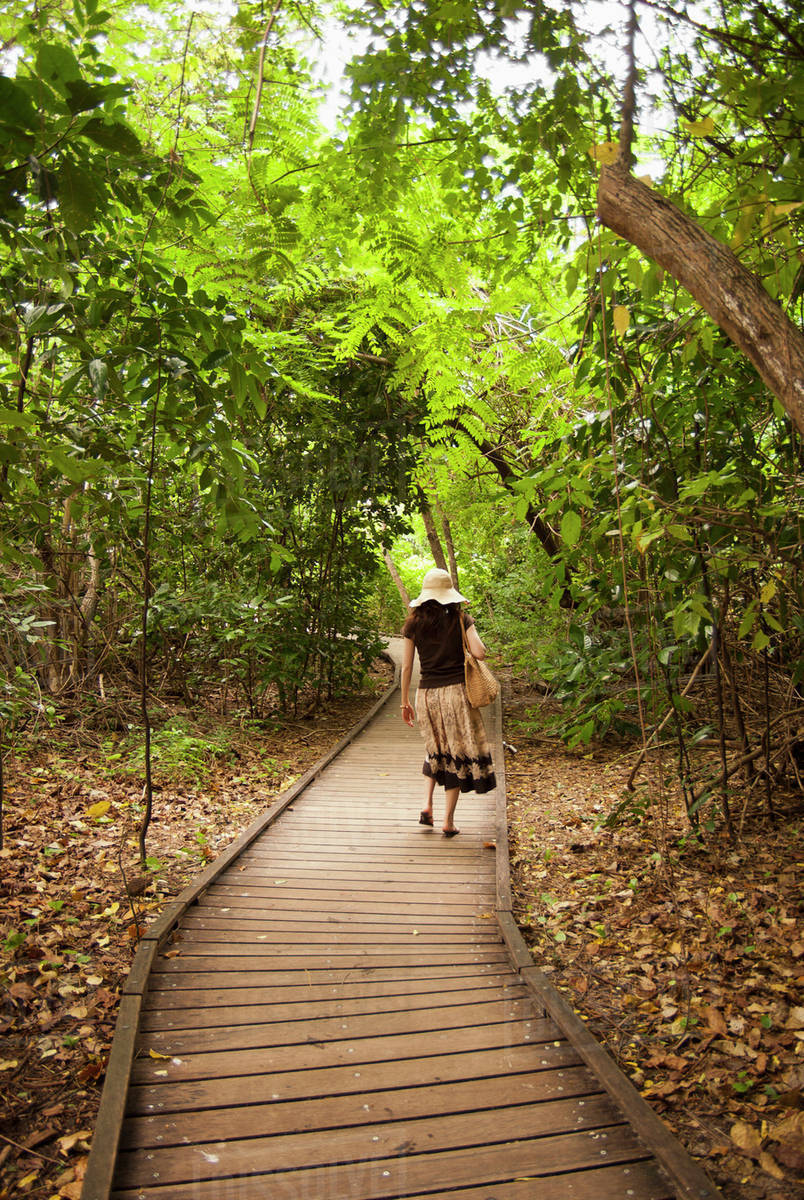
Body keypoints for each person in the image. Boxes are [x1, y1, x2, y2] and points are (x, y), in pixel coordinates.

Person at [400, 567, 496, 836]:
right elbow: (479, 652)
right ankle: (448, 821)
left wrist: (405, 702)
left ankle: (426, 805)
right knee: (456, 753)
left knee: (436, 748)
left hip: (426, 695)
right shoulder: (461, 619)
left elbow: (406, 667)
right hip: (455, 694)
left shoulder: (412, 624)